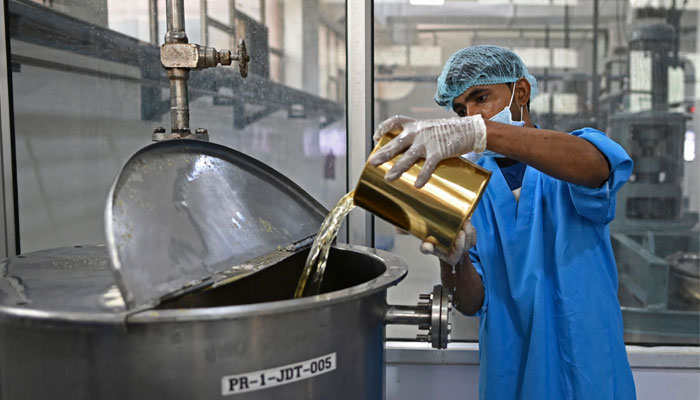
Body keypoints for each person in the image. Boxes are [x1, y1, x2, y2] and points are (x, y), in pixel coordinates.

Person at [369, 45, 637, 400]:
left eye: (481, 98)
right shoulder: (464, 187)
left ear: (521, 93)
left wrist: (479, 133)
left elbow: (597, 167)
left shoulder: (572, 155)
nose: (470, 115)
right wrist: (453, 260)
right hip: (509, 374)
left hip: (584, 370)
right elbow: (470, 301)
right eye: (462, 110)